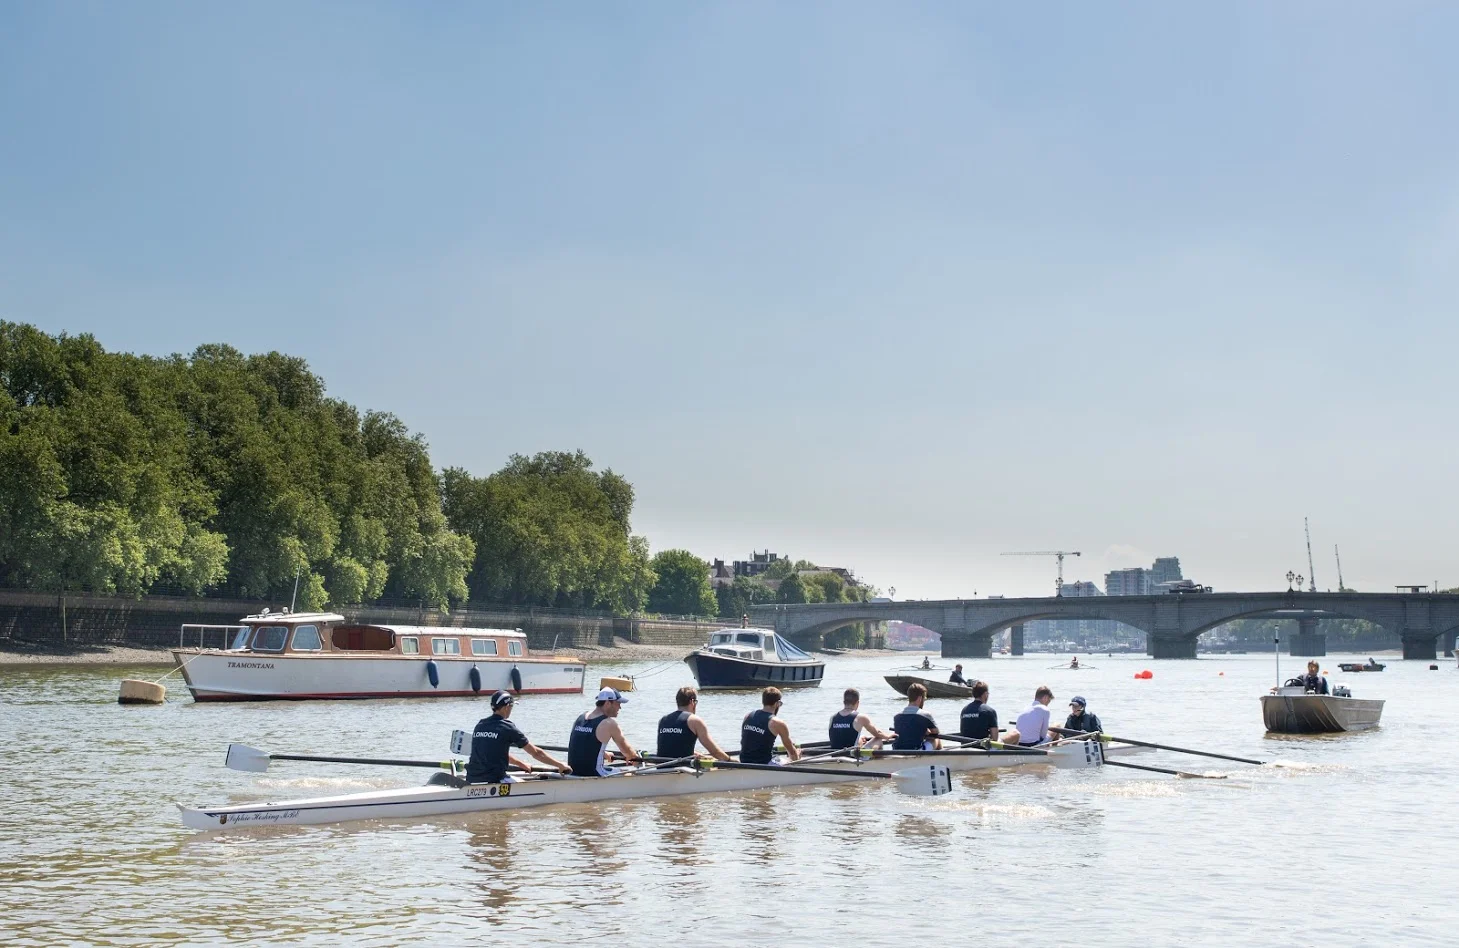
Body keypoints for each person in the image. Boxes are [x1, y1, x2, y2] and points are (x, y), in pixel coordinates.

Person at [466, 691, 570, 784]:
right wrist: (559, 764)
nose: (511, 710)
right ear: (507, 707)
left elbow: (495, 752)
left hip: (472, 778)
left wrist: (521, 764)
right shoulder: (507, 727)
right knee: (529, 789)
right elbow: (536, 753)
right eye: (511, 707)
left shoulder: (480, 725)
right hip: (495, 780)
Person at [567, 687, 642, 777]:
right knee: (632, 774)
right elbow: (627, 751)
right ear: (607, 703)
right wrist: (638, 761)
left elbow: (583, 743)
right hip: (593, 774)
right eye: (618, 703)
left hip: (573, 773)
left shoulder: (581, 718)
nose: (620, 707)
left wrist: (603, 753)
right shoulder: (609, 723)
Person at [656, 686, 730, 761]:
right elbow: (715, 752)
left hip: (661, 768)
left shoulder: (663, 720)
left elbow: (671, 748)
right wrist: (730, 760)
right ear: (692, 702)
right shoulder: (694, 720)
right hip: (683, 769)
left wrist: (697, 755)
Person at [741, 687, 801, 764]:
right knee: (791, 759)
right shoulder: (777, 722)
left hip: (744, 761)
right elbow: (791, 752)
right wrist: (797, 758)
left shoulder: (748, 716)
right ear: (778, 703)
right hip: (764, 763)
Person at [828, 688, 894, 750]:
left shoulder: (833, 717)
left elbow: (843, 736)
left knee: (860, 738)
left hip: (834, 755)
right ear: (857, 703)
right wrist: (887, 736)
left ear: (844, 702)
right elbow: (877, 733)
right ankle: (878, 762)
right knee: (878, 739)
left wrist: (860, 738)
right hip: (853, 756)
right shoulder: (860, 717)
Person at [891, 682, 941, 750]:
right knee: (936, 740)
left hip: (897, 749)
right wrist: (925, 731)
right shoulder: (926, 715)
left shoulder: (897, 716)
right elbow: (936, 732)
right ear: (920, 698)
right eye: (924, 699)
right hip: (915, 750)